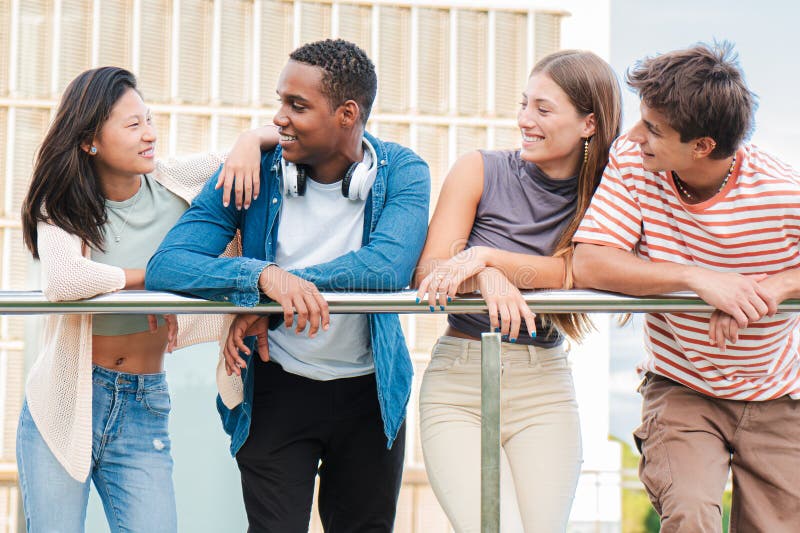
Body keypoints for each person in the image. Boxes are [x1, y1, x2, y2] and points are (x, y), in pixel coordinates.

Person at [146, 39, 430, 532]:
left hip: (370, 394)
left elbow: (387, 267)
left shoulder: (404, 172)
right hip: (276, 388)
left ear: (347, 114)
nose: (279, 117)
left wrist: (274, 300)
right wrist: (262, 277)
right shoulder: (251, 171)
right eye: (280, 101)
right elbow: (168, 266)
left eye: (297, 105)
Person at [18, 66, 276, 532]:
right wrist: (157, 279)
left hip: (144, 400)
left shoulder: (176, 181)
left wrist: (247, 140)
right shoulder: (61, 203)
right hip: (65, 402)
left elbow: (279, 138)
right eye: (133, 125)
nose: (150, 134)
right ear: (89, 141)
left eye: (150, 120)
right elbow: (65, 280)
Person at [573, 42, 800, 532]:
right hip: (682, 386)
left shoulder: (782, 193)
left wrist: (775, 287)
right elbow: (590, 262)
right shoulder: (633, 162)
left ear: (702, 147)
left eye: (653, 129)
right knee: (690, 514)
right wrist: (699, 279)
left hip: (777, 393)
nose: (633, 136)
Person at [413, 50, 621, 532]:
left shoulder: (606, 194)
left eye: (543, 109)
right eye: (525, 104)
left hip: (545, 387)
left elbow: (578, 271)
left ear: (589, 124)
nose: (525, 120)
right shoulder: (478, 170)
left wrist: (488, 257)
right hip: (460, 384)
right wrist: (484, 276)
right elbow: (430, 270)